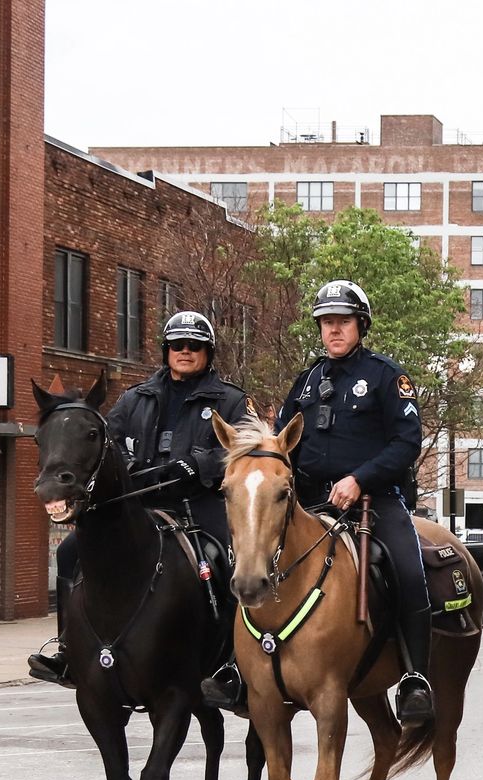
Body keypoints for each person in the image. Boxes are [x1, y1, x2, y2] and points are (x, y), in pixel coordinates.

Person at [202, 280, 434, 724]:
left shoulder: (387, 376)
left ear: (360, 325)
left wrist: (359, 479)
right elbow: (279, 442)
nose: (334, 330)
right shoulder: (307, 381)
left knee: (407, 568)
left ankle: (414, 677)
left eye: (343, 322)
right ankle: (235, 668)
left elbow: (407, 442)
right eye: (327, 323)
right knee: (247, 558)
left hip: (372, 502)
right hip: (308, 500)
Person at [28, 311, 249, 686]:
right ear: (166, 351)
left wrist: (198, 465)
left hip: (198, 506)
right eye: (176, 345)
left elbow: (244, 450)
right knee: (69, 552)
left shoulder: (230, 400)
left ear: (208, 352)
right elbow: (106, 444)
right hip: (140, 506)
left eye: (194, 346)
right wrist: (127, 465)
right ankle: (69, 650)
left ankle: (234, 664)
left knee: (230, 561)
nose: (184, 351)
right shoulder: (135, 398)